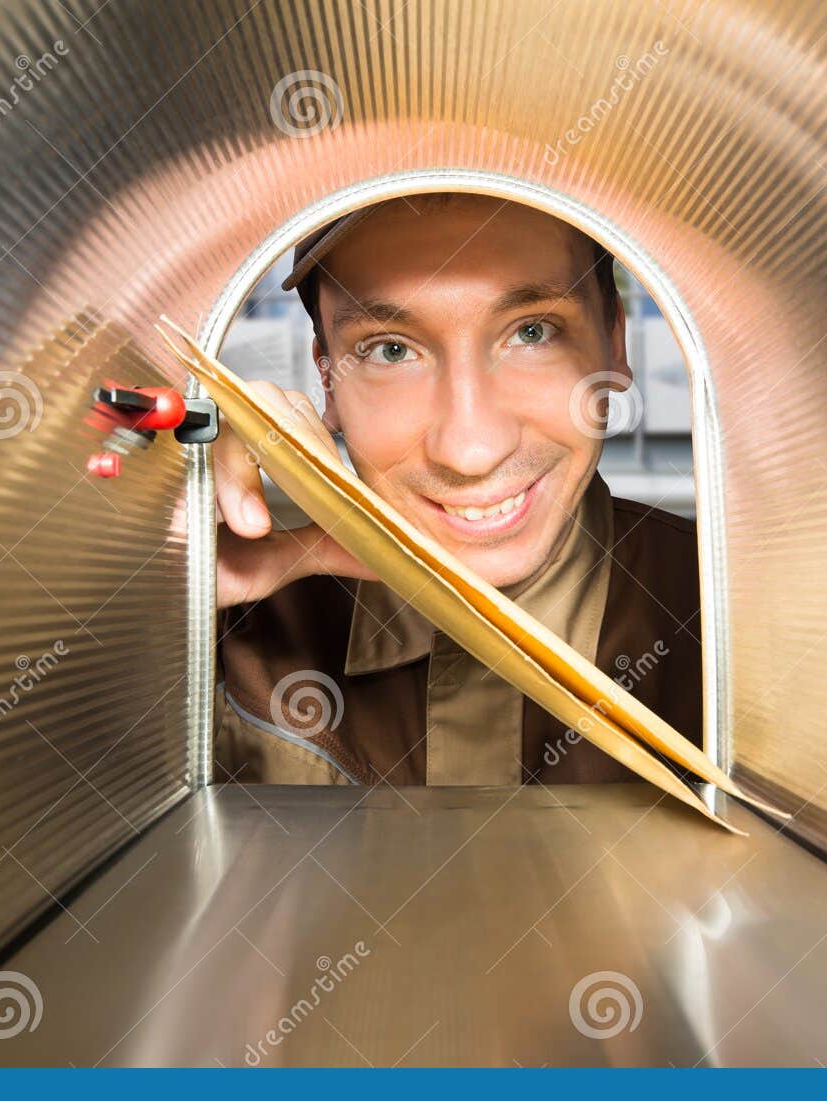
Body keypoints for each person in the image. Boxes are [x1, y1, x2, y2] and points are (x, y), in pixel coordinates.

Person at [213, 192, 702, 787]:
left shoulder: (738, 619)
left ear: (614, 341)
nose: (471, 450)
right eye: (391, 350)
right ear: (329, 382)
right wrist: (137, 594)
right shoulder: (230, 628)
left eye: (532, 332)